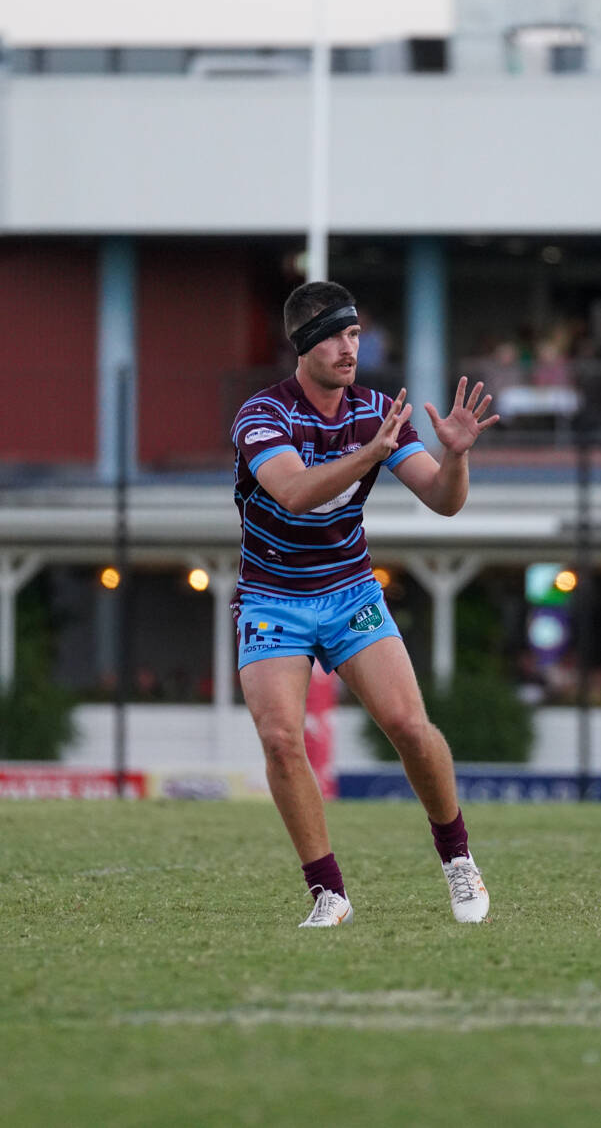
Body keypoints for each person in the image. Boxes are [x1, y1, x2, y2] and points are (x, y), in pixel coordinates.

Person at [230, 280, 501, 928]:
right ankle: (328, 891)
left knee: (409, 726)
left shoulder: (378, 410)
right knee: (278, 738)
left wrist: (455, 457)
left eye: (354, 333)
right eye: (334, 334)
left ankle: (457, 857)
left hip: (350, 591)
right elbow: (293, 491)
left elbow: (443, 499)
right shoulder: (262, 414)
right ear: (302, 344)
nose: (350, 347)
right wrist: (367, 454)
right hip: (274, 597)